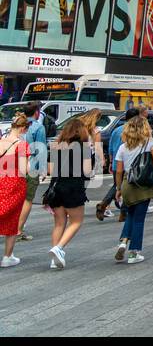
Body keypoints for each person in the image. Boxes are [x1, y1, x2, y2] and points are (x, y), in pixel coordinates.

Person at [44, 115, 95, 269]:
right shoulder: (84, 148)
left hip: (56, 188)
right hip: (74, 188)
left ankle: (54, 259)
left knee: (59, 223)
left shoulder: (56, 146)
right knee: (76, 221)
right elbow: (87, 171)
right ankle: (58, 249)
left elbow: (50, 170)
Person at [113, 115, 153, 265]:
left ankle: (123, 241)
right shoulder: (150, 143)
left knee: (131, 215)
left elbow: (119, 171)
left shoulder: (123, 147)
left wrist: (118, 188)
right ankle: (134, 252)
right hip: (144, 184)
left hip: (128, 184)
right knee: (139, 219)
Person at [0, 112, 33, 267]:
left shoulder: (1, 142)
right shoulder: (21, 145)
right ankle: (8, 256)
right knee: (12, 220)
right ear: (22, 129)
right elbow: (23, 170)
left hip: (1, 182)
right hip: (15, 185)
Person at [17, 103, 48, 240]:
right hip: (31, 166)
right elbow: (40, 149)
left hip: (15, 166)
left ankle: (11, 227)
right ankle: (18, 230)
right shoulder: (38, 127)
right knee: (28, 199)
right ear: (37, 112)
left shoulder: (16, 124)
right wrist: (43, 169)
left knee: (16, 199)